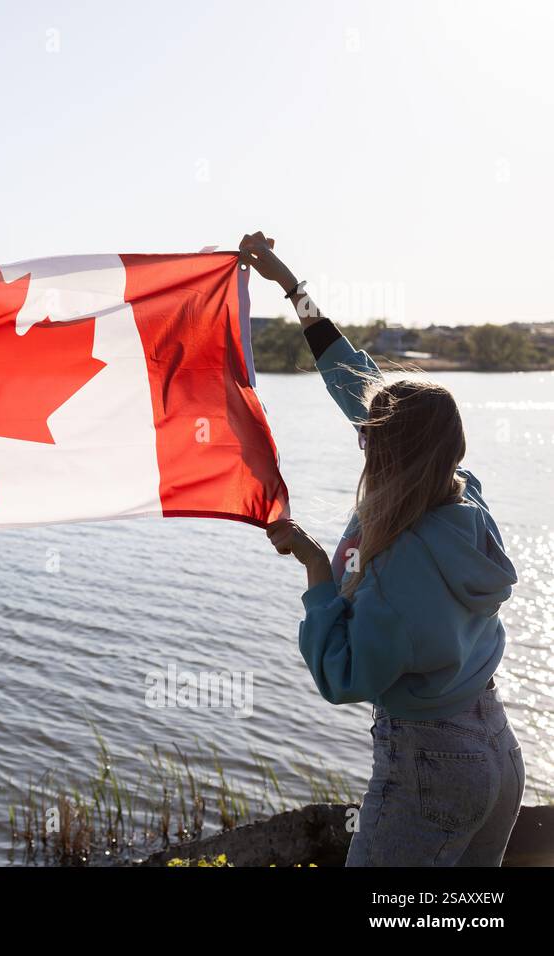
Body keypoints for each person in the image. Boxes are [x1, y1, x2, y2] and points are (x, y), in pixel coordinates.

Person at [239, 232, 524, 866]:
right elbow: (356, 382)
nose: (361, 442)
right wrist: (292, 288)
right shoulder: (464, 501)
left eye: (369, 437)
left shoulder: (395, 566)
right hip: (499, 752)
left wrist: (317, 569)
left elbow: (343, 676)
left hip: (431, 770)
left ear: (386, 451)